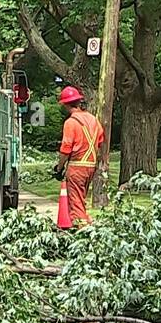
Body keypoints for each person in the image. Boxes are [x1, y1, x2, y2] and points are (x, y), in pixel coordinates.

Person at [53, 87, 105, 224]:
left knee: (76, 204)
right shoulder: (94, 120)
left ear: (65, 104)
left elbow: (66, 149)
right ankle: (86, 225)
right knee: (81, 201)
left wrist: (59, 168)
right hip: (90, 166)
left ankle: (82, 232)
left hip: (76, 167)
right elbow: (100, 141)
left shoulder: (71, 123)